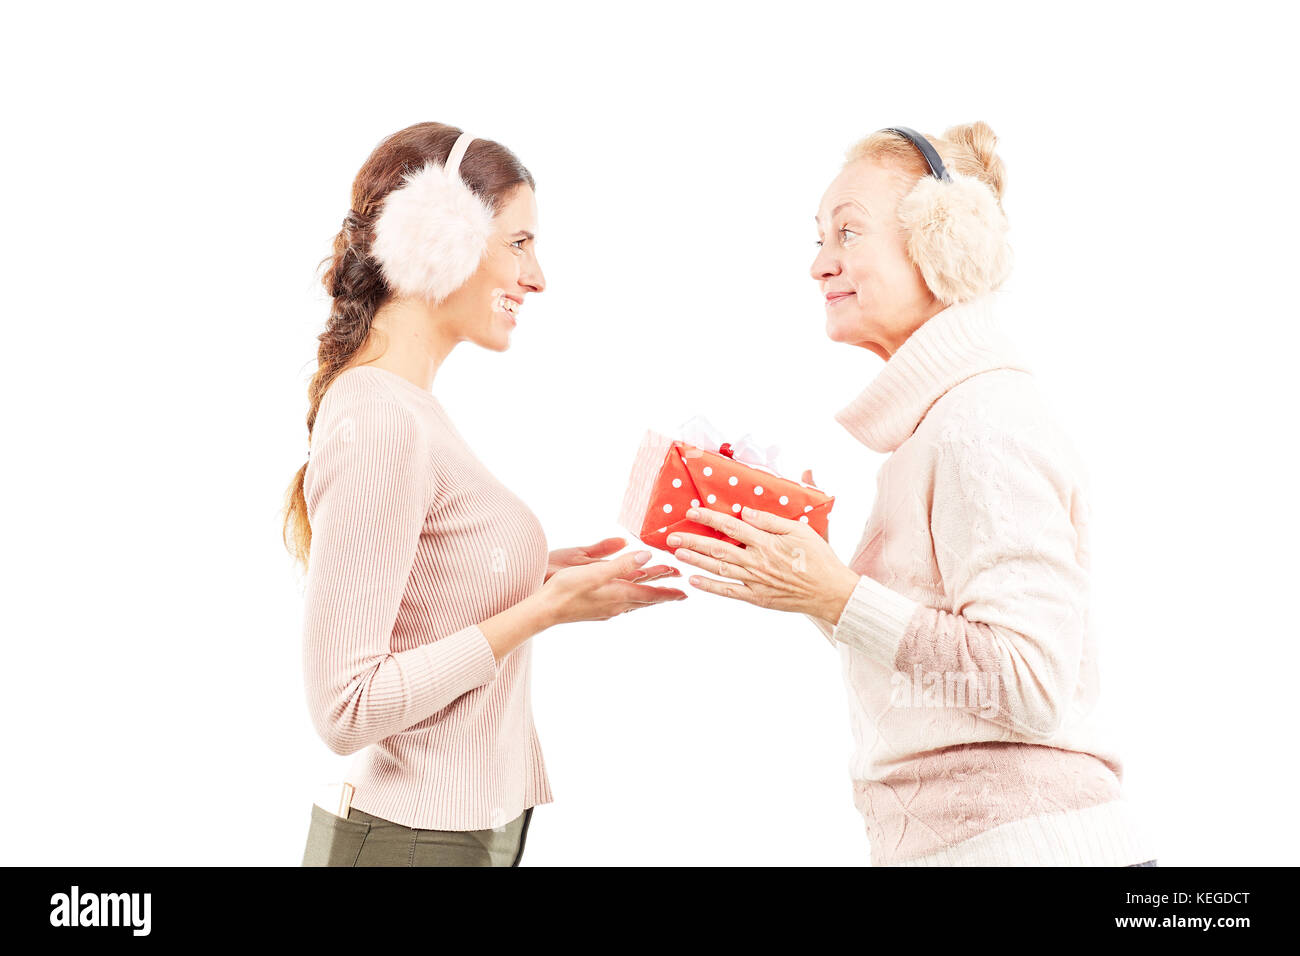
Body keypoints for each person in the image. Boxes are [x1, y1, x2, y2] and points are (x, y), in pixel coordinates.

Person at [668, 122, 1156, 866]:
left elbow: (1029, 682)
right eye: (820, 236)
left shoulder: (981, 422)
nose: (819, 264)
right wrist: (814, 585)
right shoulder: (938, 428)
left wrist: (837, 596)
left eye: (849, 231)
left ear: (941, 248)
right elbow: (933, 663)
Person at [281, 122, 686, 867]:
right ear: (439, 238)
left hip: (455, 837)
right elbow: (345, 708)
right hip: (413, 844)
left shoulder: (406, 410)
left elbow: (422, 605)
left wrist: (539, 578)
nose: (538, 279)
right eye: (520, 243)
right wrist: (543, 611)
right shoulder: (378, 416)